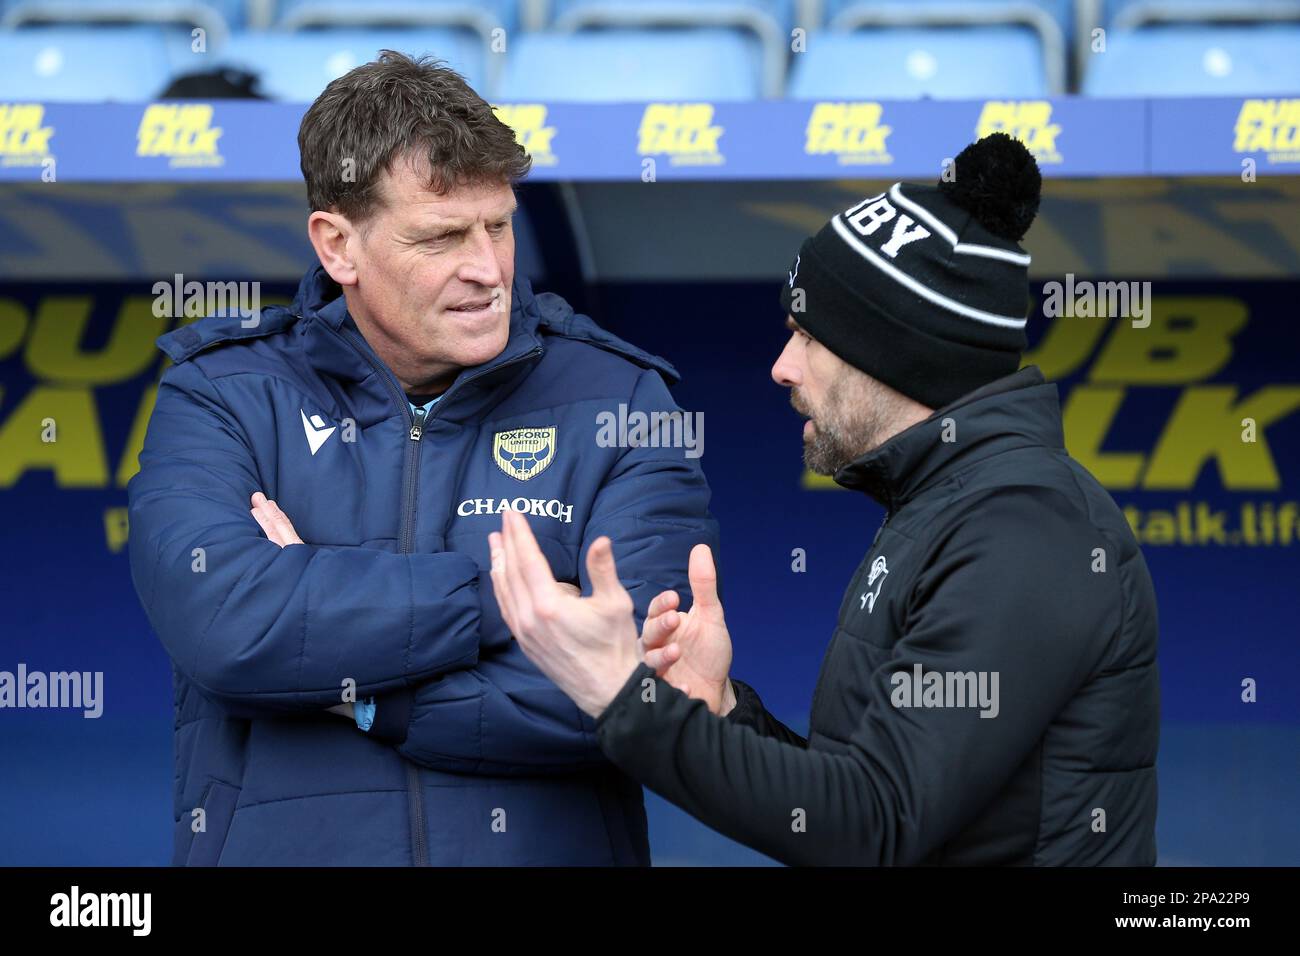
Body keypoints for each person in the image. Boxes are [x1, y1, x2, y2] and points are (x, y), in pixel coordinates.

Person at [488, 134, 1161, 866]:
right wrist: (721, 712)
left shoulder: (1024, 527)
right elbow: (858, 796)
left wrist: (624, 696)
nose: (781, 367)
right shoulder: (953, 505)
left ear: (899, 349)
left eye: (808, 335)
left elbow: (874, 826)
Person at [127, 52, 716, 866]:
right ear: (339, 246)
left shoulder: (623, 400)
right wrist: (525, 608)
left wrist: (366, 699)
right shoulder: (223, 390)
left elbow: (634, 692)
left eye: (499, 225)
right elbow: (232, 629)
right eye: (441, 237)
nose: (489, 271)